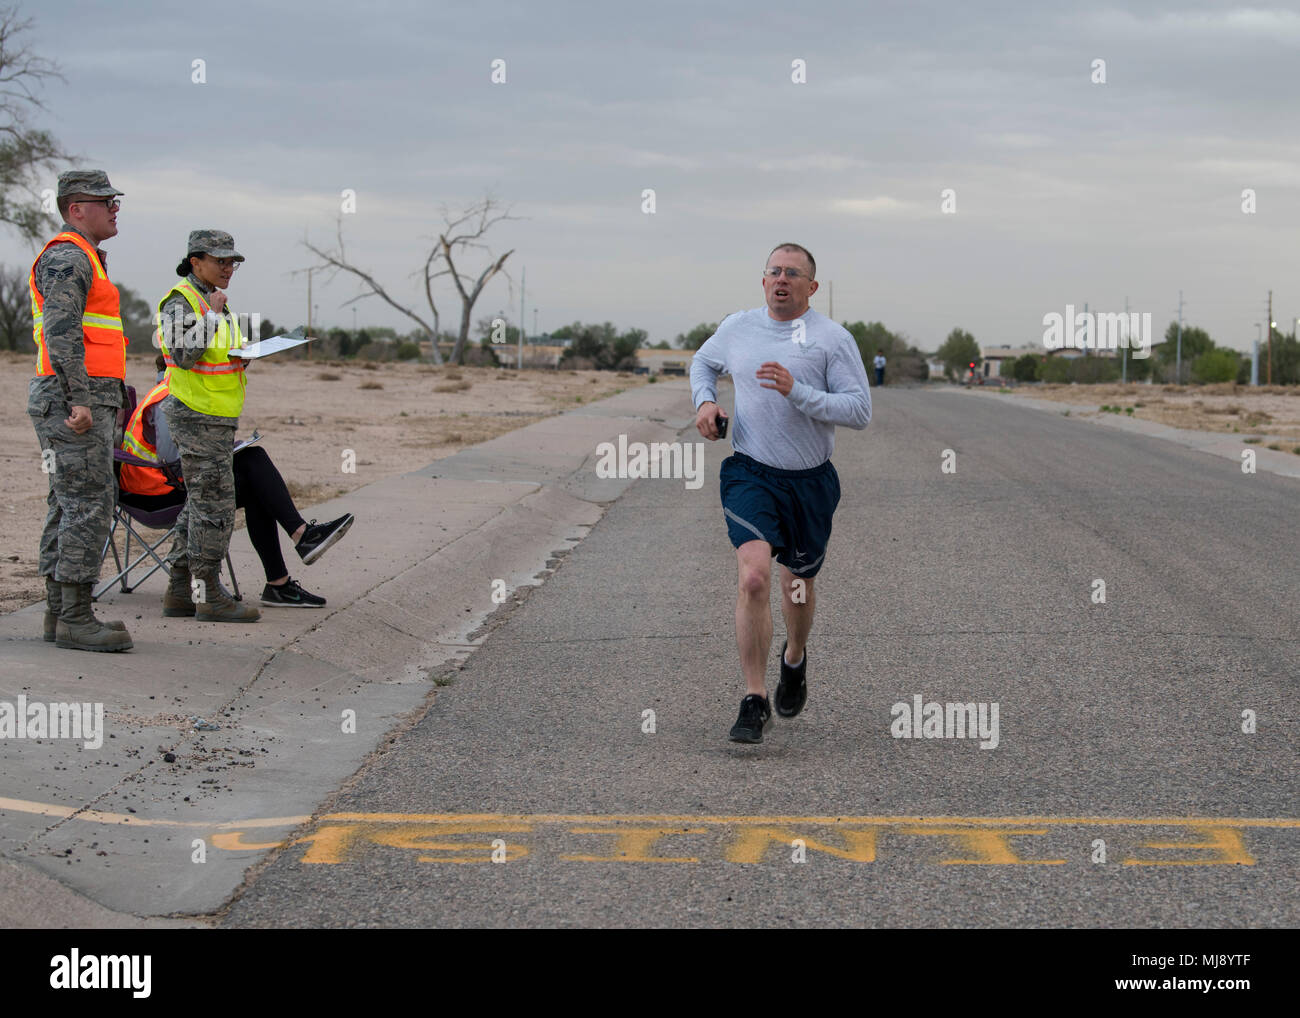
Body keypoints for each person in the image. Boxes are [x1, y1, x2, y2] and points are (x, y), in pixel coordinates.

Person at [691, 243, 870, 743]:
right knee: (753, 578)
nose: (781, 279)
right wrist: (705, 403)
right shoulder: (738, 327)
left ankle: (794, 658)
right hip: (750, 473)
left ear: (812, 287)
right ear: (763, 280)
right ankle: (754, 698)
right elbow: (702, 365)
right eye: (774, 272)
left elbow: (859, 411)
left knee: (798, 586)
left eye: (793, 273)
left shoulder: (832, 339)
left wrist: (798, 392)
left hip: (809, 482)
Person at [120, 357, 354, 607]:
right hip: (157, 497)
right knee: (254, 464)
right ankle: (299, 542)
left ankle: (281, 579)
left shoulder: (177, 391)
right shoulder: (170, 398)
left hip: (169, 486)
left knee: (254, 475)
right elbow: (174, 462)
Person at [27, 170, 132, 652]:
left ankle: (58, 615)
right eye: (106, 200)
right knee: (90, 503)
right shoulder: (69, 256)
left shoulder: (85, 257)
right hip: (73, 399)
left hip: (77, 396)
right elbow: (62, 331)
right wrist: (81, 400)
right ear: (76, 209)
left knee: (69, 503)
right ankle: (75, 616)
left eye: (116, 200)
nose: (115, 208)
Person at [154, 229, 265, 622]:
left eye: (232, 261)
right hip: (195, 415)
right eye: (220, 261)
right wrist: (213, 316)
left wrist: (242, 355)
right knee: (213, 505)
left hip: (215, 416)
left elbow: (213, 354)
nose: (228, 268)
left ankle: (181, 590)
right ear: (195, 261)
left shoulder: (213, 301)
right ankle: (209, 594)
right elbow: (184, 354)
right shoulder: (181, 301)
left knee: (199, 504)